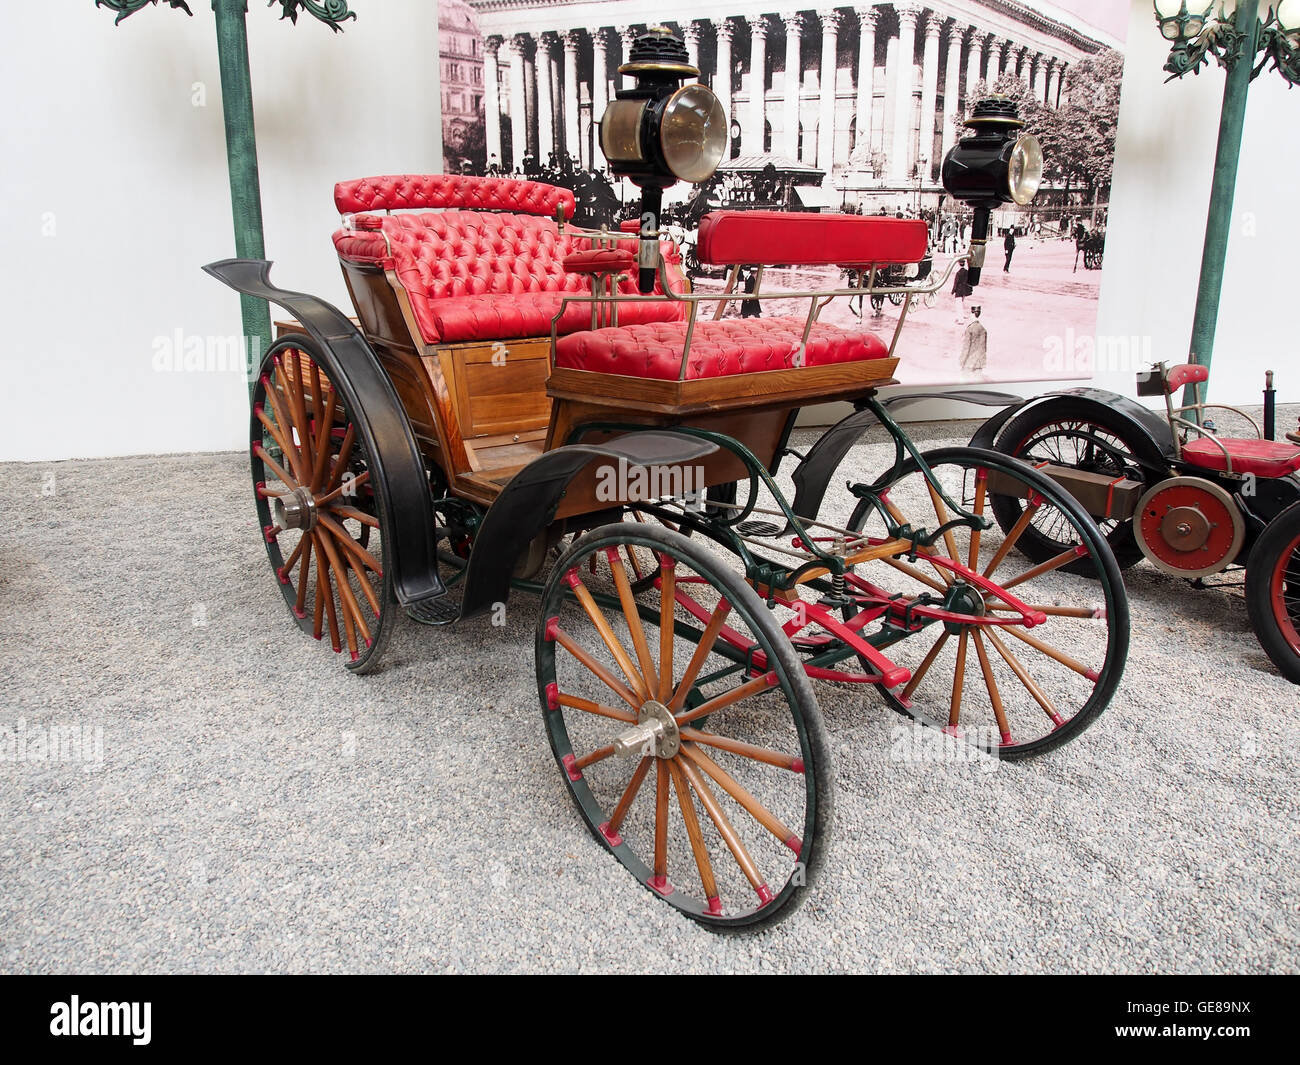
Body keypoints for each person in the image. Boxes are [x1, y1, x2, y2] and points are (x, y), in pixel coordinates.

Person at [959, 306, 987, 377]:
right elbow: (984, 348)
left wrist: (962, 361)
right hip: (980, 364)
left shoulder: (970, 329)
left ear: (972, 314)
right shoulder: (983, 329)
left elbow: (966, 347)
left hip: (969, 364)